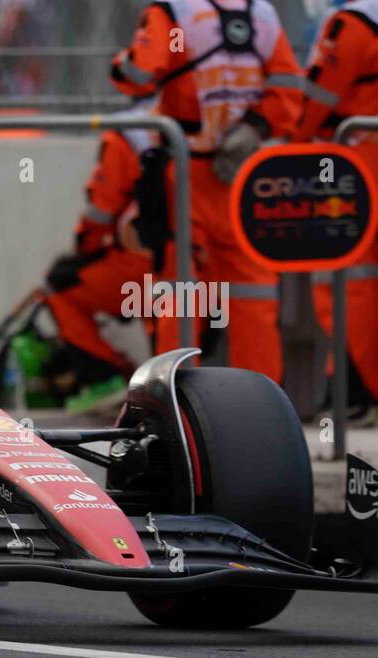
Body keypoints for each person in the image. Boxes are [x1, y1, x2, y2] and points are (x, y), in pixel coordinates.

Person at [110, 0, 305, 382]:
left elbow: (138, 76)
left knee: (180, 290)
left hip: (185, 169)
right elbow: (289, 87)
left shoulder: (171, 12)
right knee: (254, 294)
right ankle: (262, 406)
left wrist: (120, 62)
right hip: (244, 171)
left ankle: (176, 401)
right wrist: (253, 128)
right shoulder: (262, 14)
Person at [295, 0, 378, 417]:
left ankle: (357, 389)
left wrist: (290, 143)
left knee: (345, 279)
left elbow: (316, 98)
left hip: (355, 166)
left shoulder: (352, 24)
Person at [41, 112, 162, 379]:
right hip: (202, 270)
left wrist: (85, 249)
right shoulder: (211, 123)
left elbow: (101, 211)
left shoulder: (128, 135)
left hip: (143, 267)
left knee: (59, 286)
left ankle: (106, 376)